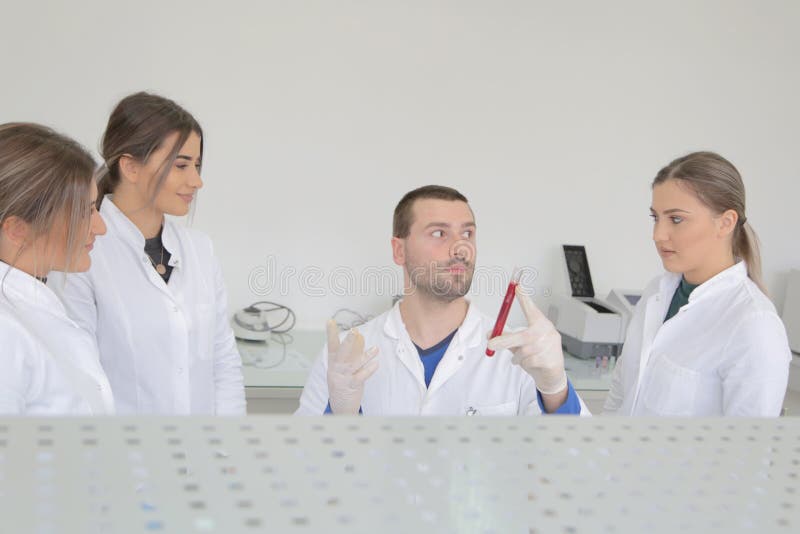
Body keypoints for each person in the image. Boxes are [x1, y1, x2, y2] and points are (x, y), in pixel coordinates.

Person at [297, 185, 587, 415]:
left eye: (467, 233)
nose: (460, 248)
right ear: (399, 251)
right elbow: (306, 471)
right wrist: (338, 416)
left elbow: (574, 467)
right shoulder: (344, 359)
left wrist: (555, 389)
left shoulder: (519, 358)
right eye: (439, 233)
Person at [52, 93, 245, 414]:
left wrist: (227, 452)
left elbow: (223, 360)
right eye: (181, 165)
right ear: (130, 167)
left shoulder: (200, 250)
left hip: (202, 456)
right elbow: (80, 380)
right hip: (124, 457)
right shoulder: (81, 256)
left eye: (196, 165)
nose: (196, 181)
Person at [603, 152, 791, 416]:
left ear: (725, 223)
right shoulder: (656, 292)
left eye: (676, 219)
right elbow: (620, 396)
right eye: (655, 217)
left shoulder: (754, 325)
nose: (658, 235)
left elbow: (750, 451)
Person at [0, 123, 112, 414]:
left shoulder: (33, 304)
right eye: (84, 212)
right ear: (17, 230)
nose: (101, 227)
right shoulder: (6, 333)